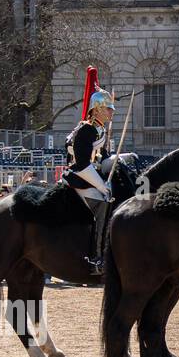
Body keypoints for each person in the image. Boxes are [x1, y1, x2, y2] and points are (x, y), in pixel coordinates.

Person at [62, 65, 115, 275]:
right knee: (102, 207)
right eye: (108, 108)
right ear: (99, 109)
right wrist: (103, 186)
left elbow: (101, 159)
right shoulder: (86, 129)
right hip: (79, 178)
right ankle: (96, 257)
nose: (111, 112)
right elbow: (82, 164)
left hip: (89, 176)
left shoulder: (98, 129)